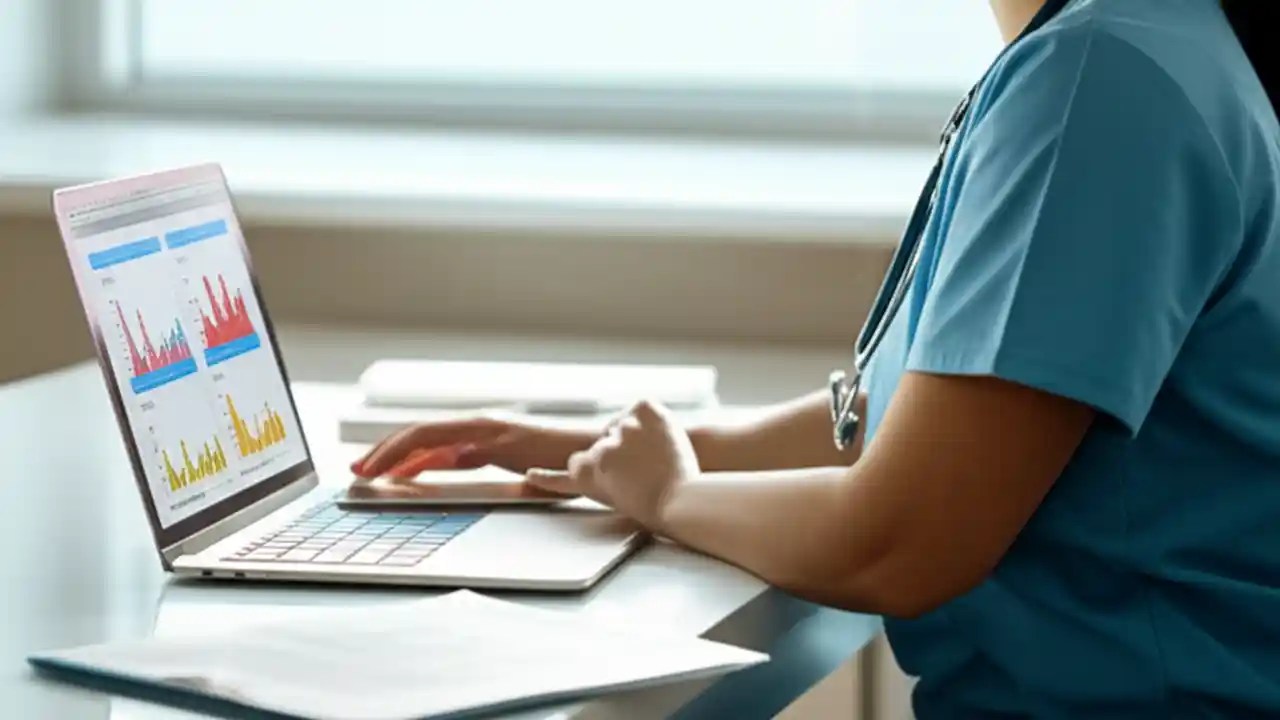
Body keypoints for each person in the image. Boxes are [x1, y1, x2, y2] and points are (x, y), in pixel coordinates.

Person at [354, 0, 1280, 716]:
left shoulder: (1097, 81)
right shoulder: (1139, 44)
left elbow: (901, 539)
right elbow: (900, 421)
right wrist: (598, 453)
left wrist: (669, 496)